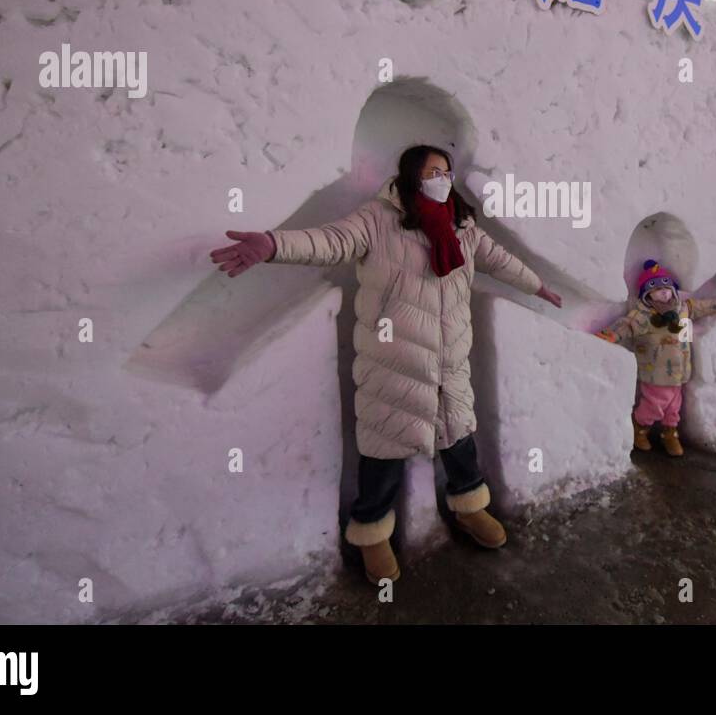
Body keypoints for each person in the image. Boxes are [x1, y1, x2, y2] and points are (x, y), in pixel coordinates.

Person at [209, 145, 562, 584]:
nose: (442, 179)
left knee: (459, 436)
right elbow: (331, 241)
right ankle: (372, 532)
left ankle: (470, 506)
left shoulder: (462, 225)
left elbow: (499, 260)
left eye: (447, 171)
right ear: (412, 175)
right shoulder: (377, 218)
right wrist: (273, 244)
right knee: (383, 451)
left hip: (449, 360)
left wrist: (538, 285)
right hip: (393, 362)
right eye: (432, 172)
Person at [596, 260, 716, 456]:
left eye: (667, 288)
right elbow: (626, 325)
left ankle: (670, 434)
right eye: (657, 289)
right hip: (655, 372)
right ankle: (639, 428)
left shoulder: (682, 308)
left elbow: (699, 307)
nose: (664, 293)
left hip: (679, 371)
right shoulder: (643, 315)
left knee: (674, 408)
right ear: (647, 294)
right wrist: (611, 334)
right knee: (654, 405)